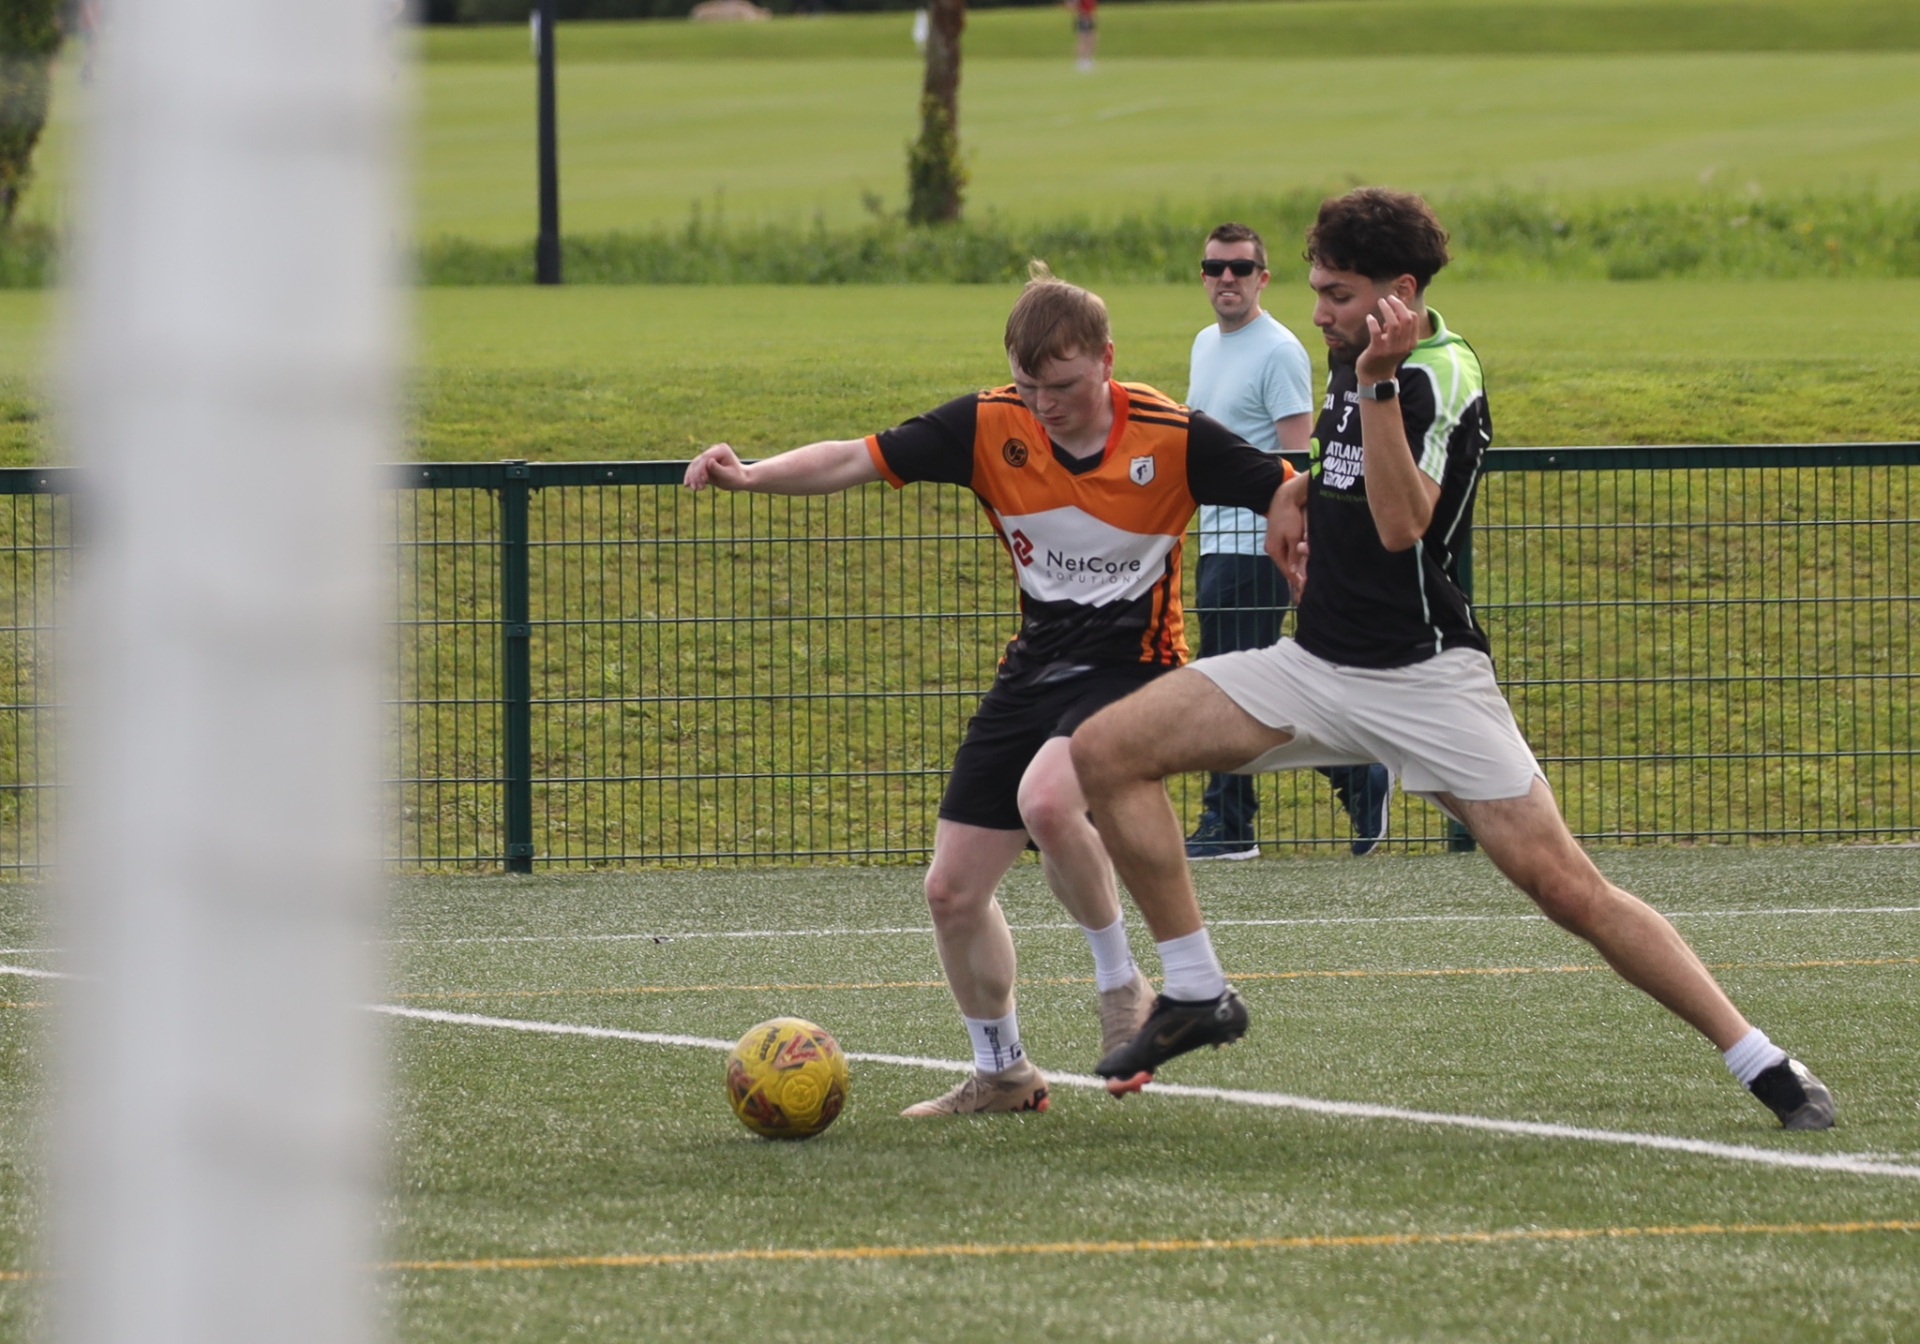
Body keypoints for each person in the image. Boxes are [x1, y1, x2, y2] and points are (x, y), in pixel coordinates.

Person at [1071, 189, 1835, 1131]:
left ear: (1399, 292)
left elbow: (1402, 524)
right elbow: (1348, 469)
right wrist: (1295, 492)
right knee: (1104, 752)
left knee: (1569, 890)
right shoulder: (1361, 350)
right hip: (1312, 667)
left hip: (1428, 682)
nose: (1318, 313)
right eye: (1314, 290)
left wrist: (1379, 383)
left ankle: (1766, 1064)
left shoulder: (1428, 371)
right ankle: (1195, 992)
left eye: (1337, 295)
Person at [685, 266, 1291, 1116]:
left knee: (1049, 800)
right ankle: (1002, 1071)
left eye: (1067, 386)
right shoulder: (987, 423)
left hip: (1137, 669)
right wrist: (751, 473)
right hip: (1037, 665)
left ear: (1108, 361)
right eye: (1032, 386)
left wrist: (1304, 538)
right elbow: (856, 458)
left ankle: (1123, 986)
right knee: (952, 891)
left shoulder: (1173, 434)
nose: (1046, 405)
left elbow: (1289, 488)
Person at [1183, 222, 1394, 861]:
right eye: (1215, 267)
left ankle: (1230, 822)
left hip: (1256, 544)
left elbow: (1301, 458)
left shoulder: (1277, 350)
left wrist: (1299, 538)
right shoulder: (1203, 344)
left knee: (1229, 689)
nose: (1227, 278)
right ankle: (1356, 775)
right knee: (1243, 685)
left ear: (1262, 279)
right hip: (1215, 540)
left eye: (1241, 269)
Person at [1068, 0, 1097, 71]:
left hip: (1089, 17)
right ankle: (1081, 60)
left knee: (1091, 39)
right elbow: (1071, 4)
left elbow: (1091, 7)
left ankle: (1088, 58)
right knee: (1083, 39)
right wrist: (1080, 13)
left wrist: (1093, 16)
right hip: (1083, 18)